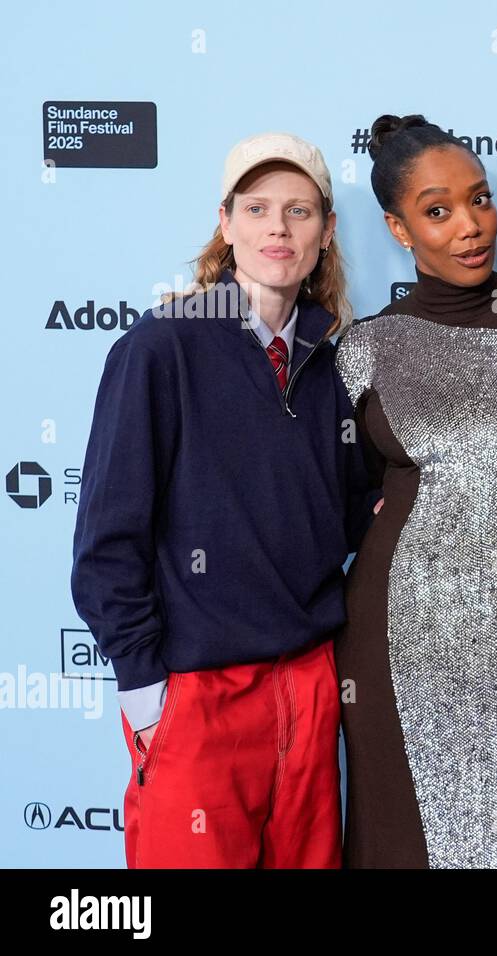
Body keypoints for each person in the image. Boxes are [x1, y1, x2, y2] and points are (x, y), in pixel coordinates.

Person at [71, 132, 376, 868]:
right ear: (226, 221)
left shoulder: (337, 358)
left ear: (326, 231)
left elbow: (346, 513)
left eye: (299, 210)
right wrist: (146, 686)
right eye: (259, 207)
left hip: (308, 684)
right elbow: (108, 540)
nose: (278, 227)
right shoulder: (162, 347)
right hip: (200, 693)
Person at [335, 115, 497, 868]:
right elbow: (333, 497)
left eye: (479, 200)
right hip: (389, 637)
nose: (469, 226)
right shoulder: (366, 346)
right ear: (397, 227)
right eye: (438, 210)